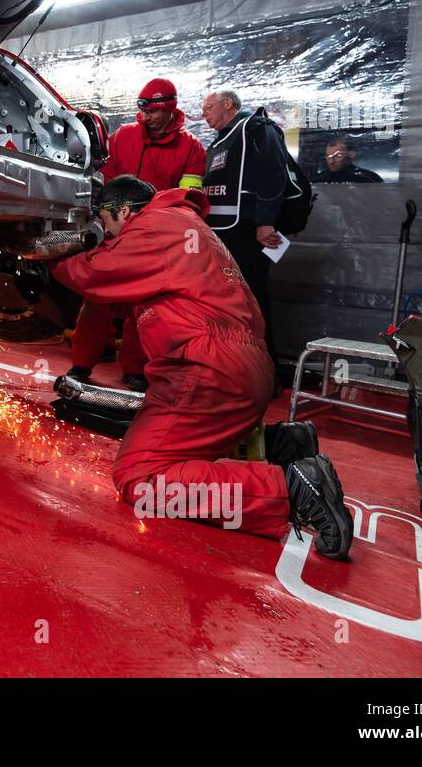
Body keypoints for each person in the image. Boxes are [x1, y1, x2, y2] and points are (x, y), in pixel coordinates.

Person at [51, 175, 352, 558]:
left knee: (140, 476)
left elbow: (95, 272)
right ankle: (281, 445)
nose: (108, 235)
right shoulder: (186, 224)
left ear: (123, 211)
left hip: (208, 370)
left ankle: (293, 486)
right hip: (245, 367)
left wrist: (49, 258)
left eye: (107, 224)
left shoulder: (152, 227)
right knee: (179, 440)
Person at [71, 78, 206, 391]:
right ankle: (81, 363)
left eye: (154, 111)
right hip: (115, 230)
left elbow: (188, 198)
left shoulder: (191, 149)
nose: (146, 117)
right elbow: (103, 180)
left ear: (170, 109)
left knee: (142, 307)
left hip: (154, 237)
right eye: (142, 110)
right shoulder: (123, 137)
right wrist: (103, 217)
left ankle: (134, 369)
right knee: (97, 298)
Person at [199, 89, 288, 360]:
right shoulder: (217, 143)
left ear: (228, 104)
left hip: (248, 231)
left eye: (208, 107)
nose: (204, 115)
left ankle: (264, 366)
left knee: (252, 299)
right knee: (224, 300)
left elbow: (274, 174)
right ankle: (231, 361)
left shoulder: (256, 128)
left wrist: (265, 222)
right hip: (220, 233)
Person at [313, 134, 382, 183]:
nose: (331, 161)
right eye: (328, 157)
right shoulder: (318, 180)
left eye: (338, 156)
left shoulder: (368, 179)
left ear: (351, 154)